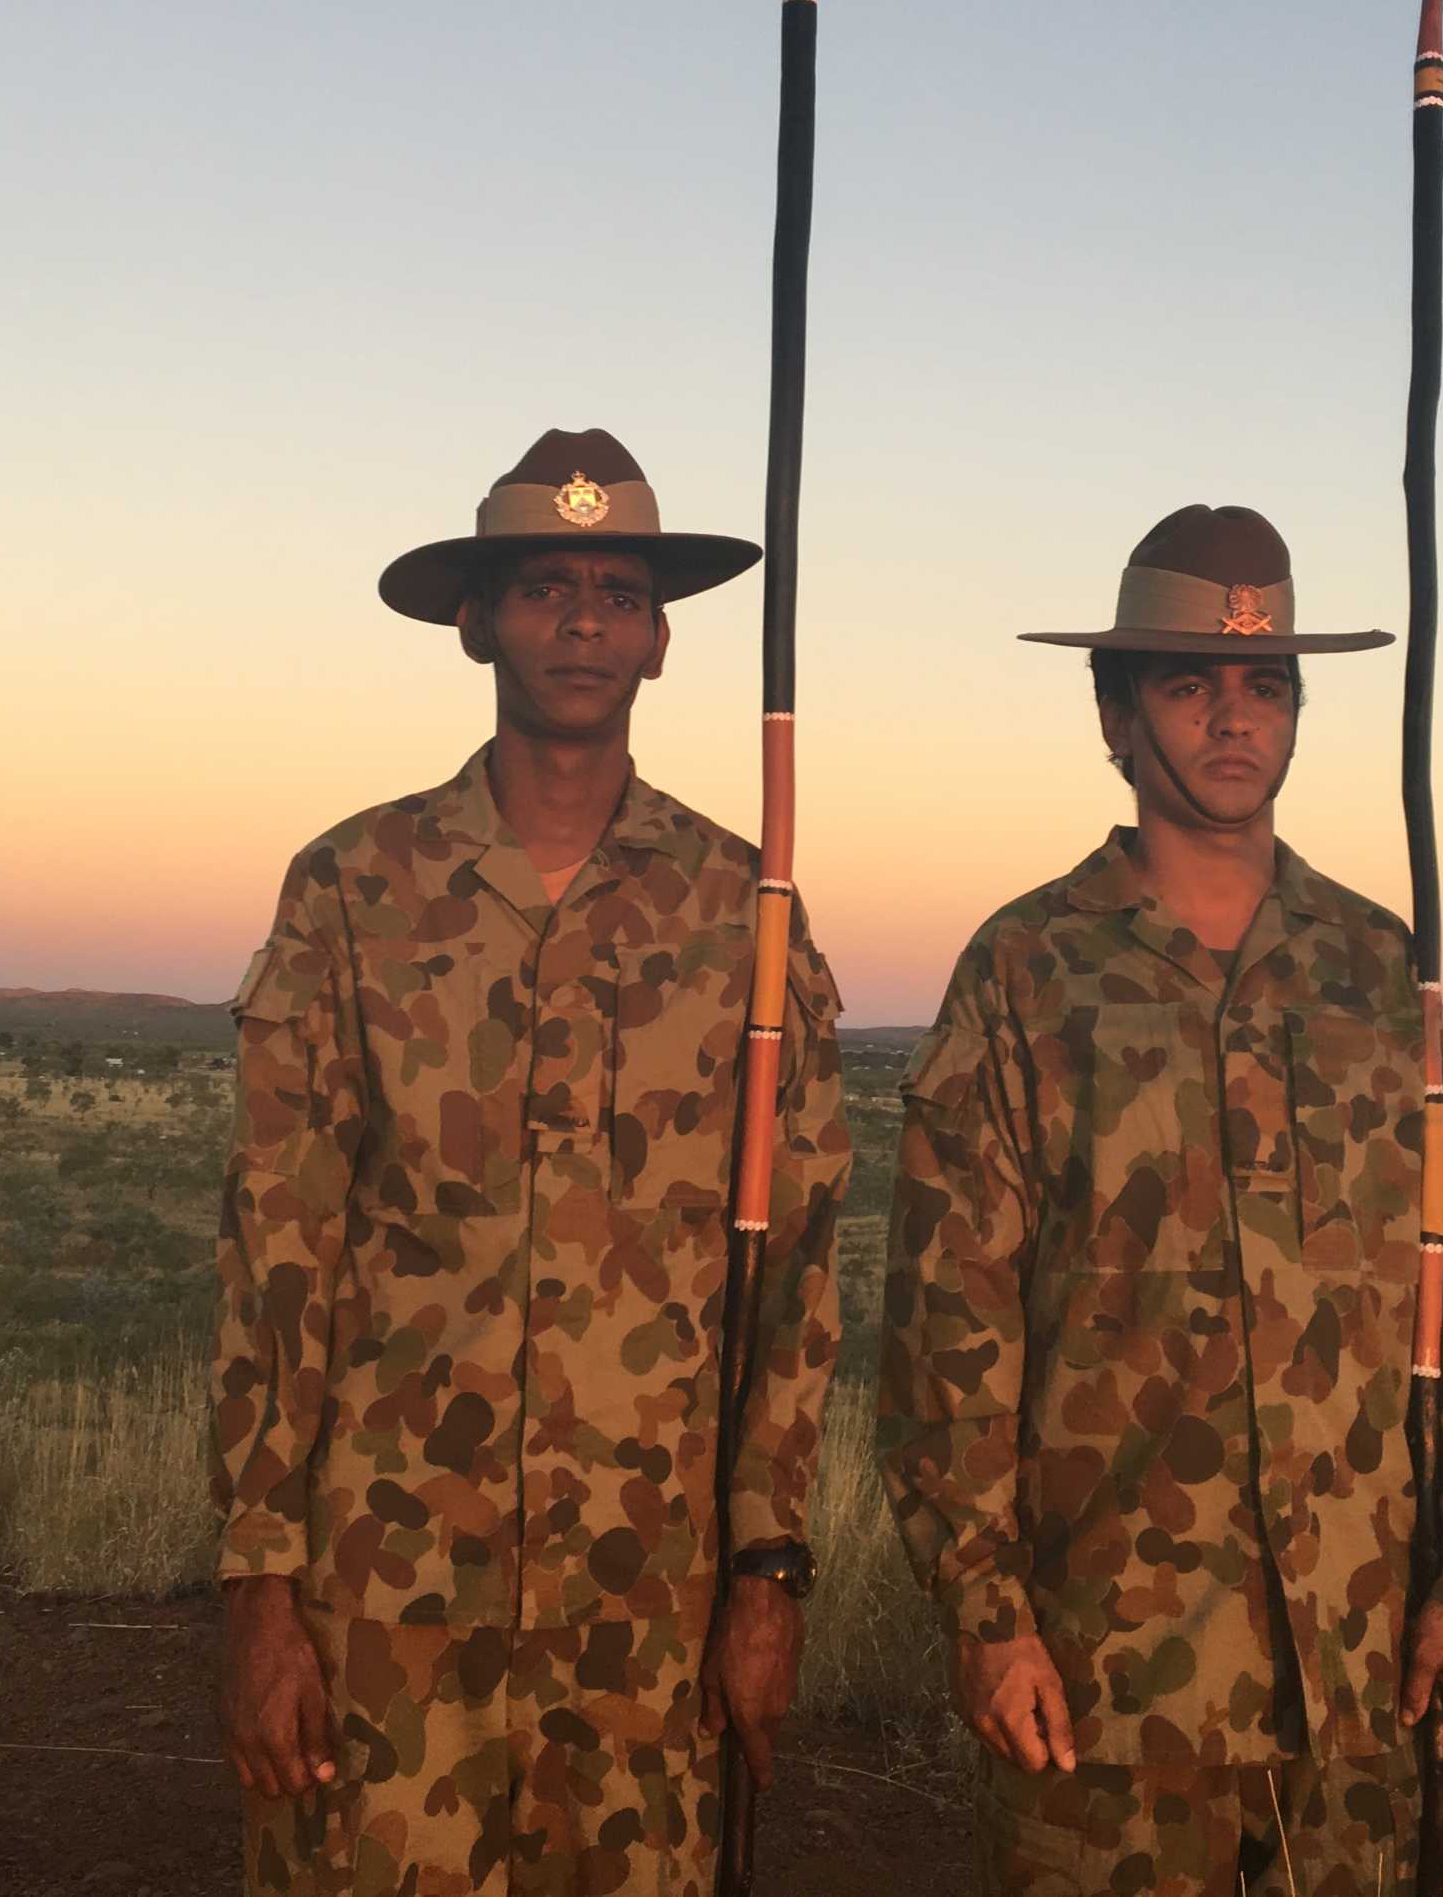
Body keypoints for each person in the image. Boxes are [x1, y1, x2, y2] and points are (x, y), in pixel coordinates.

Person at [879, 504, 1443, 1896]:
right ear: (1115, 711)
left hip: (1357, 1694)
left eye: (1266, 683)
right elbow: (948, 1339)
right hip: (1102, 1693)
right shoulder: (1027, 973)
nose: (1232, 717)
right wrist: (985, 1614)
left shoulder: (1385, 974)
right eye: (1190, 682)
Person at [213, 428, 850, 1896]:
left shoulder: (740, 911)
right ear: (475, 620)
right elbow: (278, 1247)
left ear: (661, 639)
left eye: (616, 590)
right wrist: (258, 1589)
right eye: (546, 585)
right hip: (385, 1604)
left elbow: (796, 1277)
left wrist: (768, 1570)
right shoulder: (354, 891)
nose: (582, 618)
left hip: (647, 1616)